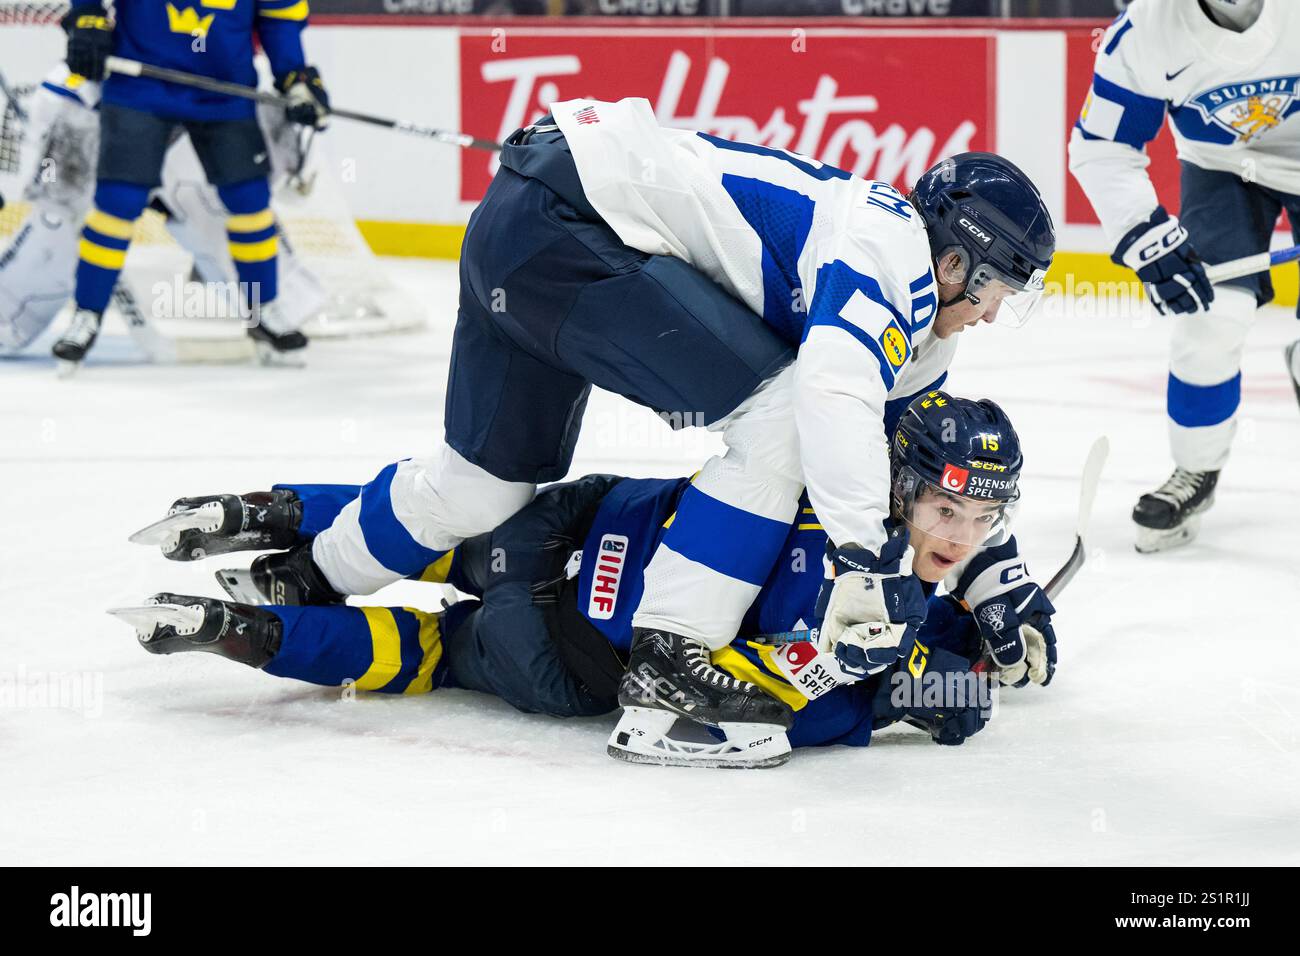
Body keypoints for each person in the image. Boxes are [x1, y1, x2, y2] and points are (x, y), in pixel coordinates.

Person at [226, 96, 1054, 744]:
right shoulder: (890, 259)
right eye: (991, 292)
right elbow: (832, 401)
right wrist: (867, 564)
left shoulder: (911, 307)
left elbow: (916, 458)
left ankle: (308, 574)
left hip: (520, 225)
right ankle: (671, 660)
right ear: (954, 258)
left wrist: (996, 581)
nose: (987, 316)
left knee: (479, 490)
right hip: (572, 231)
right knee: (784, 421)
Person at [116, 391, 1058, 768]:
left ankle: (254, 515)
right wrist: (907, 695)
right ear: (904, 490)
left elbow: (889, 583)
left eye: (983, 521)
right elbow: (765, 706)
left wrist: (976, 609)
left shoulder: (842, 463)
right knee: (430, 653)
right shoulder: (873, 612)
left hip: (580, 531)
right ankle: (227, 629)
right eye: (947, 511)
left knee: (431, 528)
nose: (962, 533)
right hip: (573, 657)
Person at [1068, 0, 1300, 553]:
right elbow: (1102, 145)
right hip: (1222, 171)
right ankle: (1196, 469)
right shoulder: (1147, 30)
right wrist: (1144, 237)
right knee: (1209, 321)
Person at [48, 0, 330, 366]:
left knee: (250, 201)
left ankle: (264, 310)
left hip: (225, 91)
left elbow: (279, 18)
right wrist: (87, 20)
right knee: (119, 201)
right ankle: (86, 315)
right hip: (140, 86)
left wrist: (296, 78)